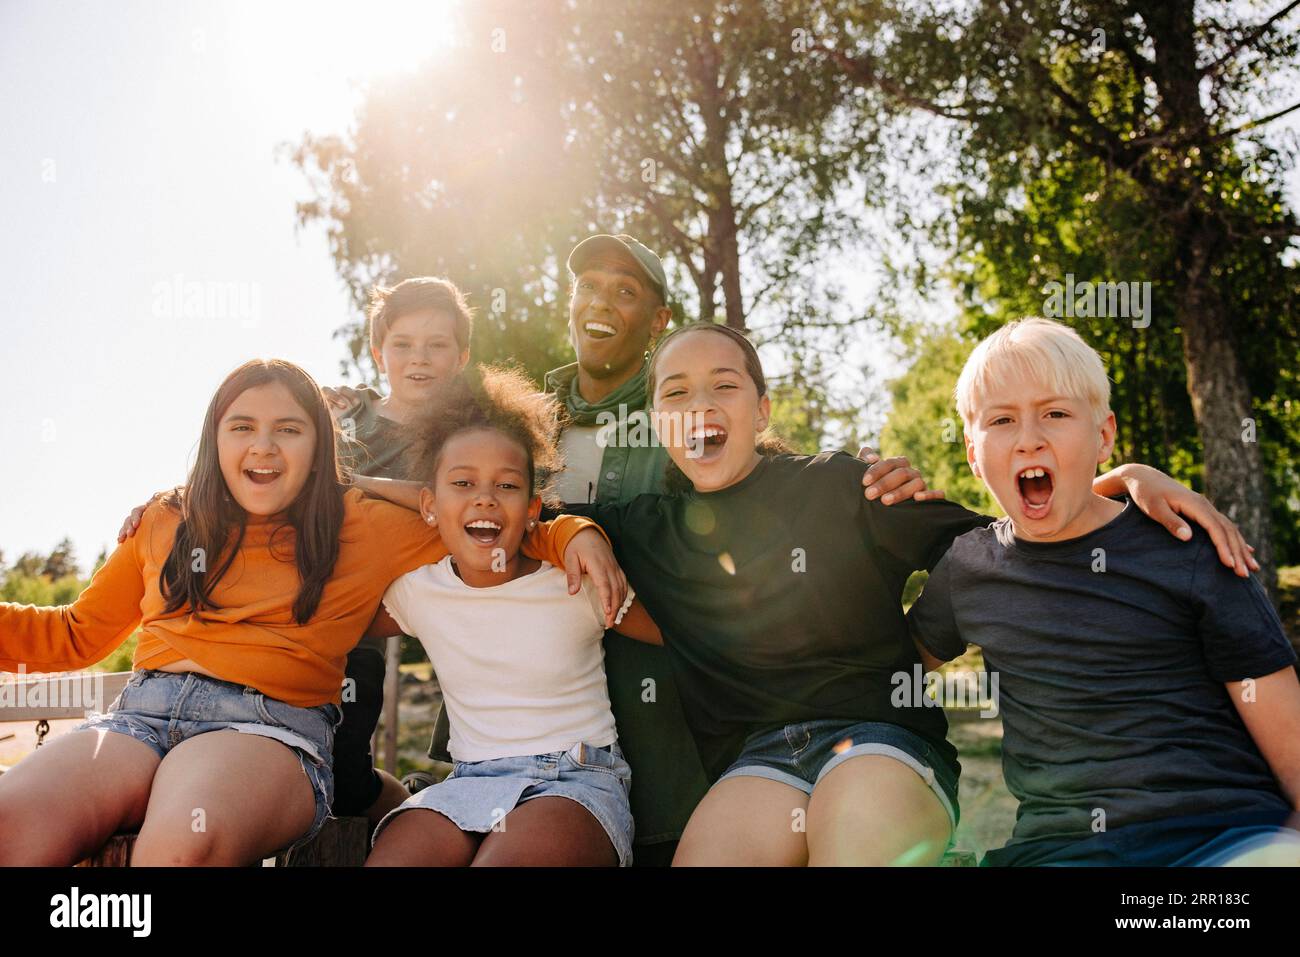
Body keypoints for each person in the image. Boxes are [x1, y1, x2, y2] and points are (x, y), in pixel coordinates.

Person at [361, 322, 1254, 865]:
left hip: (883, 741)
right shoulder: (641, 522)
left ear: (758, 405)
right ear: (657, 417)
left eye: (724, 386)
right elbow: (505, 505)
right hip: (758, 762)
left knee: (852, 834)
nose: (700, 404)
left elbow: (1009, 532)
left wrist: (1118, 479)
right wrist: (568, 526)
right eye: (676, 390)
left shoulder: (843, 487)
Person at [0, 358, 619, 866]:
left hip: (264, 729)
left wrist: (571, 534)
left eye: (288, 429)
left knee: (180, 844)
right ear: (215, 440)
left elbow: (483, 520)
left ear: (318, 442)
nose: (263, 446)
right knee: (13, 826)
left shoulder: (360, 523)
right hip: (140, 718)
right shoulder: (168, 518)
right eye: (241, 426)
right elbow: (72, 635)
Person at [906, 317, 1300, 866]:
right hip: (1060, 851)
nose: (1029, 439)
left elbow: (1291, 745)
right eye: (1001, 420)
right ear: (973, 453)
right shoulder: (970, 567)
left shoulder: (1187, 545)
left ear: (1104, 436)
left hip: (1223, 837)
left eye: (1056, 414)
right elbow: (881, 672)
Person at [364, 367, 662, 866]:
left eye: (506, 485)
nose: (484, 497)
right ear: (429, 506)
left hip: (574, 780)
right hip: (467, 782)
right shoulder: (420, 591)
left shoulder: (576, 577)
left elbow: (686, 635)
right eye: (463, 483)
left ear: (532, 509)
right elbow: (324, 626)